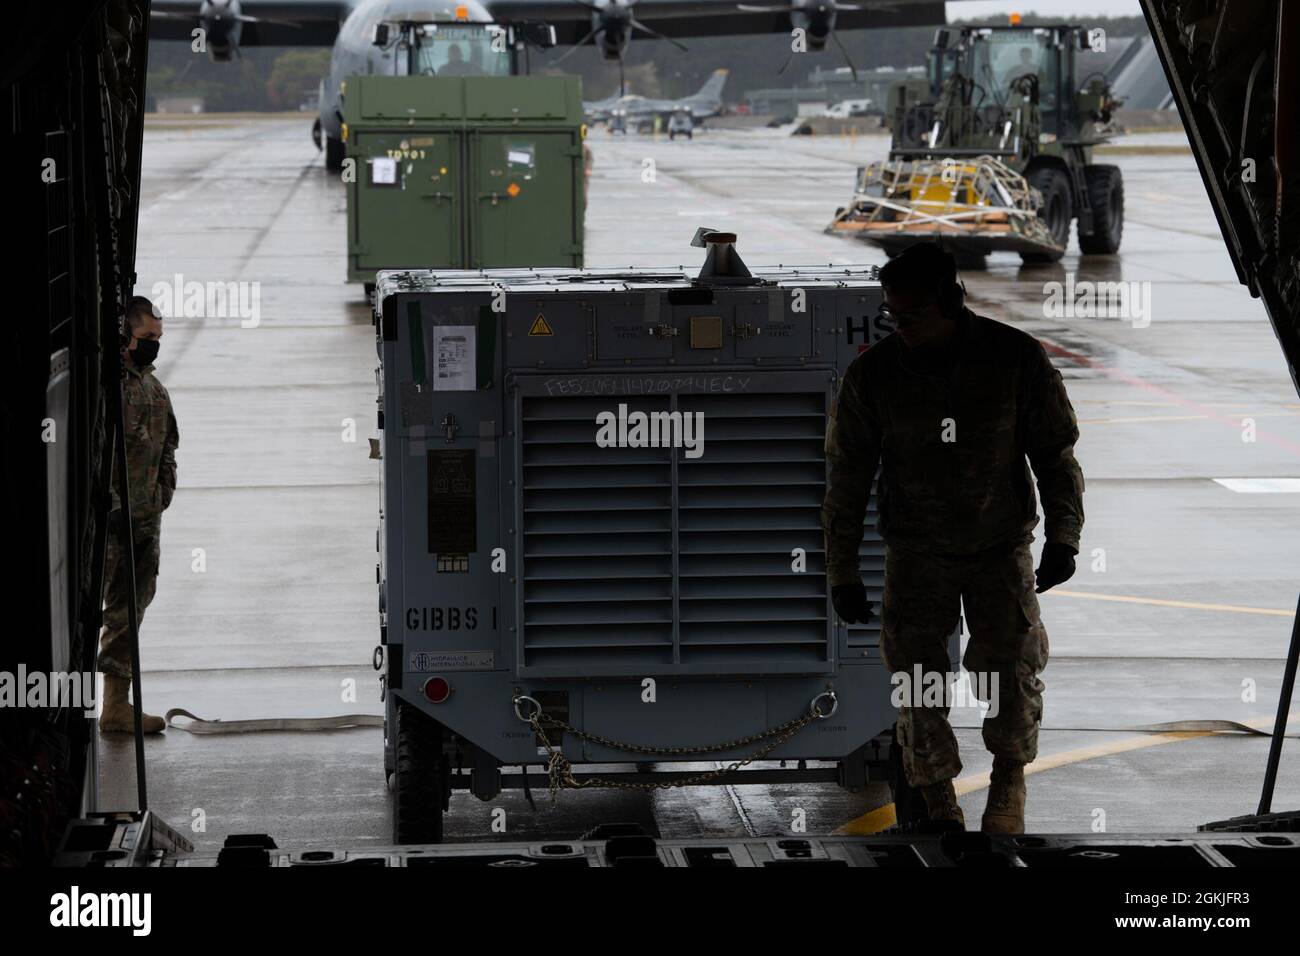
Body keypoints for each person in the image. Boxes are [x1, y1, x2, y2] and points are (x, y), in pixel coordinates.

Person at [821, 242, 1083, 833]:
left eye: (913, 315)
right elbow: (847, 480)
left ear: (950, 301)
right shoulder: (875, 375)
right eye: (894, 316)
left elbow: (1055, 454)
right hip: (917, 554)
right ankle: (937, 797)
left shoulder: (1013, 358)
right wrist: (841, 572)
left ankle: (1008, 785)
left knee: (1013, 672)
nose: (902, 327)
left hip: (999, 549)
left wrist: (1064, 535)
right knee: (918, 683)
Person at [99, 296, 178, 735]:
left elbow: (168, 446)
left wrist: (160, 496)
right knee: (92, 612)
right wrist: (112, 507)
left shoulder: (152, 389)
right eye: (147, 338)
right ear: (126, 335)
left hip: (145, 521)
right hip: (107, 523)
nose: (154, 346)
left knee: (129, 612)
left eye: (158, 339)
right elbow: (93, 453)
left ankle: (115, 706)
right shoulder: (106, 387)